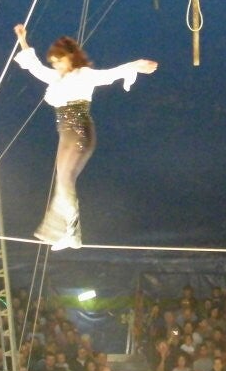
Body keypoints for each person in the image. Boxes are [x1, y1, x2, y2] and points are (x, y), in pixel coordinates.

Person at [13, 23, 158, 250]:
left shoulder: (84, 74)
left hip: (80, 130)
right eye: (54, 63)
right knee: (63, 182)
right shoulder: (56, 78)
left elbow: (111, 73)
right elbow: (35, 67)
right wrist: (23, 38)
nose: (56, 66)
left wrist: (136, 65)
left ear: (70, 57)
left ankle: (68, 233)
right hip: (66, 133)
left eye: (58, 61)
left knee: (65, 179)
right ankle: (70, 234)